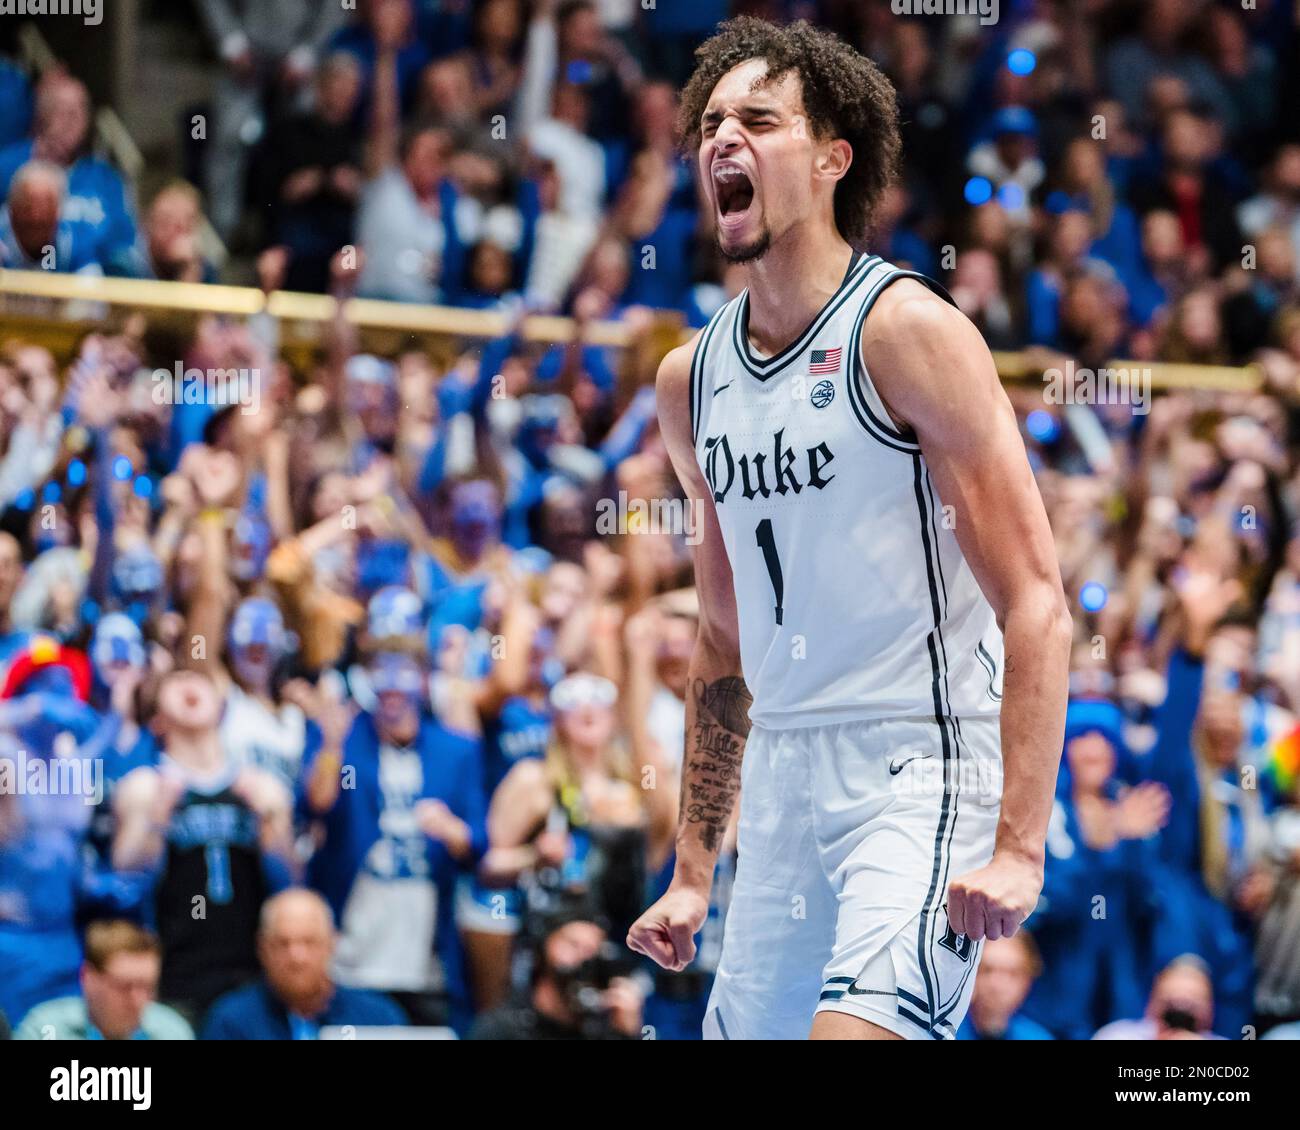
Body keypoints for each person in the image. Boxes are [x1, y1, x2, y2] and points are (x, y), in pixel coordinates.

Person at [626, 18, 1071, 1042]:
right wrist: (693, 871)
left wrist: (1018, 846)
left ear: (833, 158)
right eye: (712, 122)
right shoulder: (687, 380)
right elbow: (723, 640)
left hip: (917, 765)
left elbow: (1036, 599)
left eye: (760, 120)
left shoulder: (906, 333)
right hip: (781, 779)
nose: (722, 138)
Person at [112, 668, 294, 1021]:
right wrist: (156, 821)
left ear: (222, 709)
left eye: (198, 681)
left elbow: (291, 884)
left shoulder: (264, 788)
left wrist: (270, 827)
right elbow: (126, 880)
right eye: (175, 683)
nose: (189, 686)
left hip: (251, 971)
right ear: (157, 720)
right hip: (174, 973)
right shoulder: (144, 787)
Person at [200, 888, 407, 1039]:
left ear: (331, 944)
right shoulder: (231, 1021)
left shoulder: (378, 1018)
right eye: (283, 944)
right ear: (263, 949)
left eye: (310, 942)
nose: (297, 957)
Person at [468, 900, 643, 1040]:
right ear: (541, 950)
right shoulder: (502, 1029)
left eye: (594, 950)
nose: (585, 958)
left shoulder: (603, 1030)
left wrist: (627, 1034)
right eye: (574, 945)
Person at [14, 920, 193, 1040]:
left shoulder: (173, 1032)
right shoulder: (44, 1029)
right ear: (87, 977)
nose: (137, 1000)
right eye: (124, 986)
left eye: (148, 987)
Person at [1093, 955, 1223, 1040]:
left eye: (1191, 1004)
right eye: (1170, 1003)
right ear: (1151, 1004)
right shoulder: (1117, 1035)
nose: (1180, 1009)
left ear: (1210, 1012)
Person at [956, 934, 1053, 1041]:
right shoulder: (942, 1032)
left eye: (1012, 973)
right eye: (987, 970)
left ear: (1027, 982)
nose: (998, 984)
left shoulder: (1038, 1037)